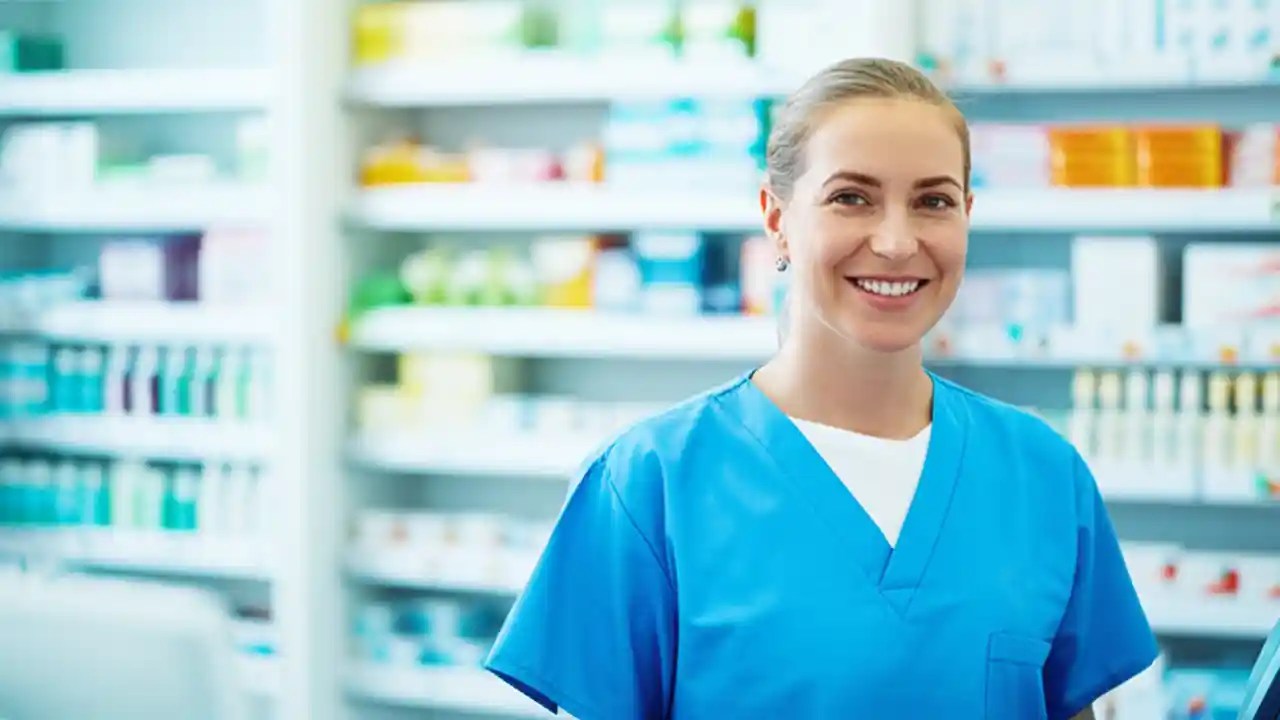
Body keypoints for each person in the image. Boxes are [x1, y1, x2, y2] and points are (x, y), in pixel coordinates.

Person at [484, 57, 1157, 719]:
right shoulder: (649, 483)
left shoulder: (1041, 474)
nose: (897, 242)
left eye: (933, 201)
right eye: (851, 198)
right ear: (776, 218)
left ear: (967, 215)